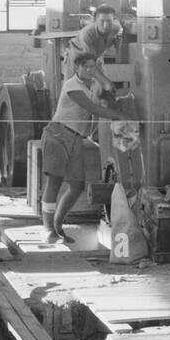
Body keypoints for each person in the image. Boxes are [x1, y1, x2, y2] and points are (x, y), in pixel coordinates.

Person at [42, 51, 128, 245]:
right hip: (58, 134)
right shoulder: (72, 85)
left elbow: (110, 89)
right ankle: (48, 230)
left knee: (77, 186)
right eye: (86, 67)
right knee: (54, 182)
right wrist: (119, 116)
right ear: (76, 67)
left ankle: (58, 226)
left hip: (76, 138)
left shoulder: (93, 85)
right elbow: (92, 108)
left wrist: (100, 76)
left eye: (92, 67)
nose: (89, 70)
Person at [64, 4, 122, 95]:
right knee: (72, 89)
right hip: (76, 58)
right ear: (95, 20)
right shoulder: (87, 34)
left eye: (109, 21)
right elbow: (90, 63)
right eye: (102, 21)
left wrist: (118, 43)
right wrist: (107, 83)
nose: (106, 25)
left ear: (113, 20)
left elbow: (119, 49)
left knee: (100, 90)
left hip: (96, 56)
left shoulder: (116, 29)